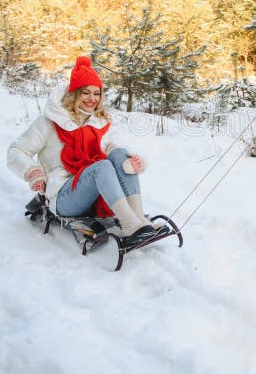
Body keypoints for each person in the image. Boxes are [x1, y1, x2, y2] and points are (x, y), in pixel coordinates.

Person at [8, 56, 158, 246]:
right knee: (100, 166)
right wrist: (33, 172)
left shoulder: (99, 121)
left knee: (120, 154)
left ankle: (138, 220)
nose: (92, 99)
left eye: (96, 93)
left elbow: (112, 145)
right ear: (74, 93)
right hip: (63, 197)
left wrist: (130, 161)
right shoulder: (50, 122)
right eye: (85, 93)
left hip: (95, 194)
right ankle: (129, 225)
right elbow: (16, 150)